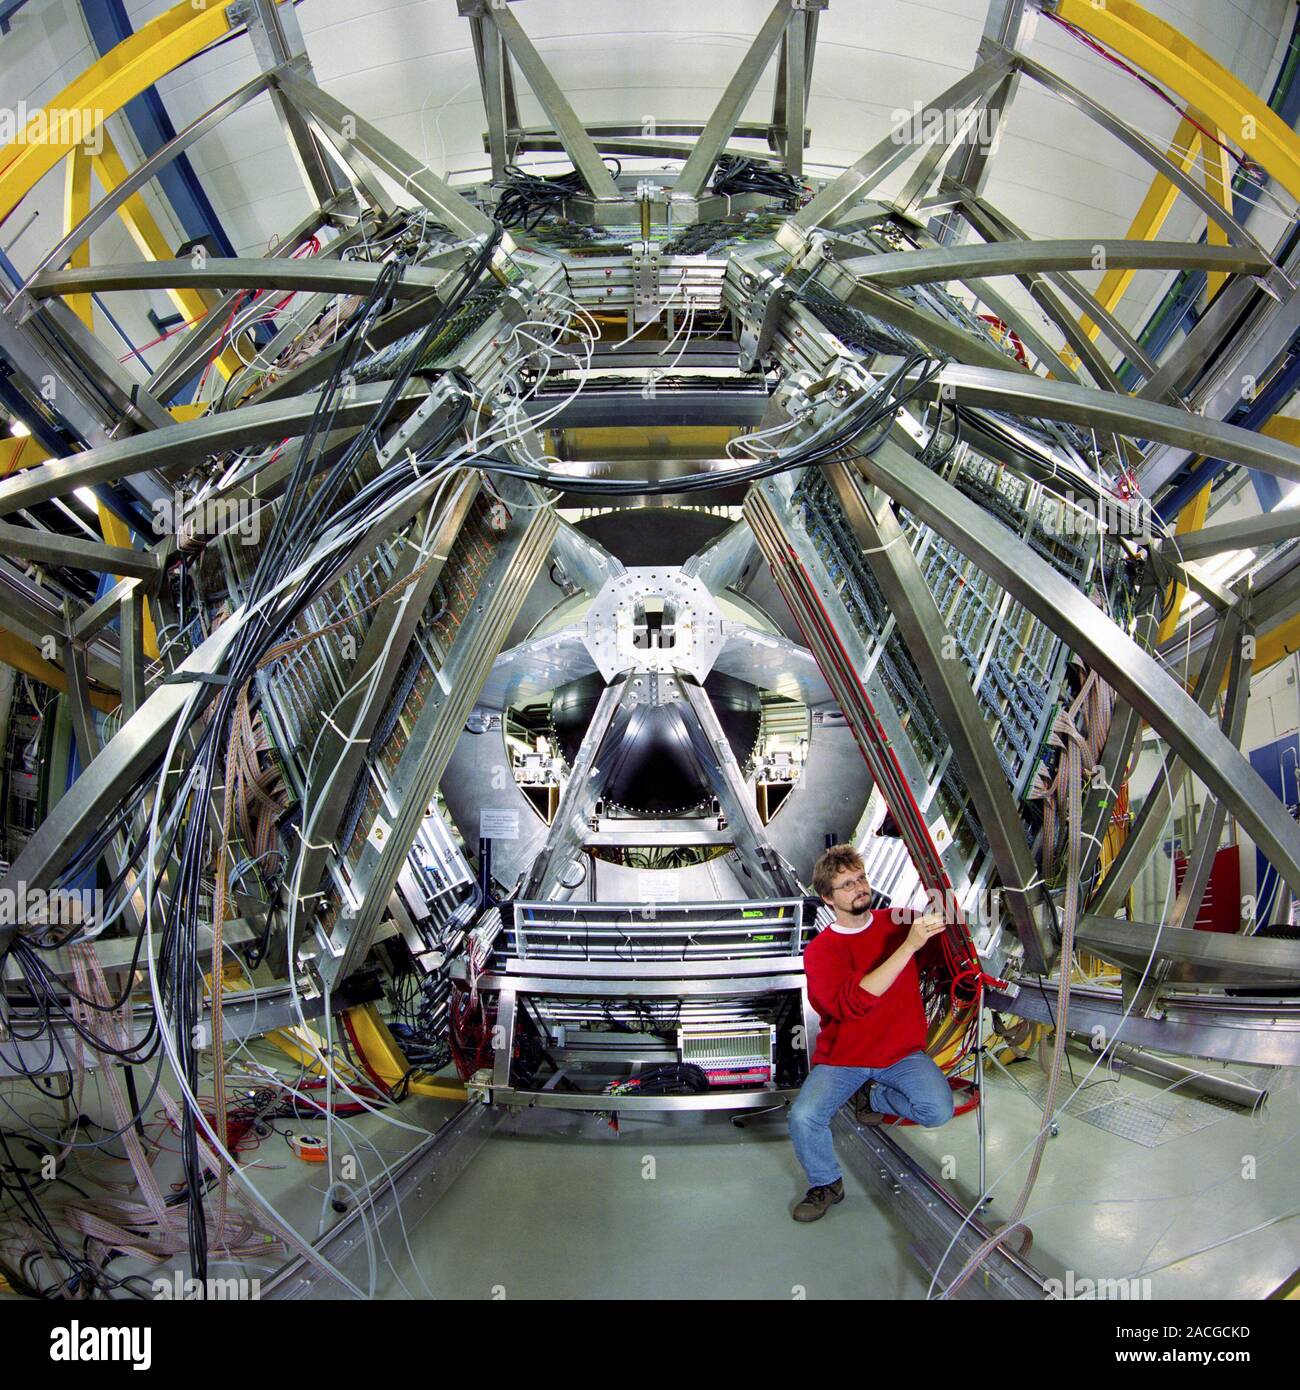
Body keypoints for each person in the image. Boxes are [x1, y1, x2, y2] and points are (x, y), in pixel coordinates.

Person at [788, 843, 954, 1222]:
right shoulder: (821, 952)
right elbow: (851, 1004)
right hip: (844, 1058)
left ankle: (874, 1098)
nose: (859, 887)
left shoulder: (899, 920)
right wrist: (909, 946)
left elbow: (943, 953)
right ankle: (826, 1182)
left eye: (860, 878)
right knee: (804, 1117)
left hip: (900, 1053)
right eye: (846, 885)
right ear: (828, 898)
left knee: (938, 1109)